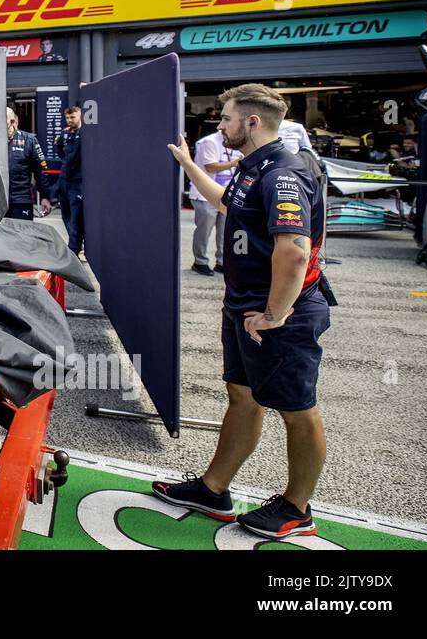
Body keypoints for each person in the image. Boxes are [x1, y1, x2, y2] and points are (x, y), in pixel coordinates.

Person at [162, 83, 332, 540]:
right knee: (243, 397)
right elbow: (224, 205)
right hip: (244, 307)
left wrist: (276, 313)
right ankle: (214, 489)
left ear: (251, 122)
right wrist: (188, 165)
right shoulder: (253, 168)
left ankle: (297, 508)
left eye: (226, 118)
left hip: (279, 315)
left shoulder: (283, 175)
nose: (220, 125)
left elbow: (293, 252)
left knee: (298, 410)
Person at [189, 130, 239, 276]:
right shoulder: (210, 142)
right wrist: (235, 163)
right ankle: (200, 262)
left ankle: (221, 262)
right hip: (205, 194)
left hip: (226, 194)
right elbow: (210, 166)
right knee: (204, 231)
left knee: (225, 231)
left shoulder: (234, 140)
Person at [7, 107, 51, 220]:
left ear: (12, 122)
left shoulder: (29, 140)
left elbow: (41, 170)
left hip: (20, 200)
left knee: (22, 236)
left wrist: (45, 196)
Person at [54, 105, 84, 256]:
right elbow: (60, 151)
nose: (69, 120)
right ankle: (74, 244)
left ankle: (74, 248)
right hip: (64, 179)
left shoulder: (85, 133)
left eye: (72, 117)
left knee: (76, 216)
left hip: (78, 181)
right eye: (67, 117)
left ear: (80, 116)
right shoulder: (64, 134)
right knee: (65, 214)